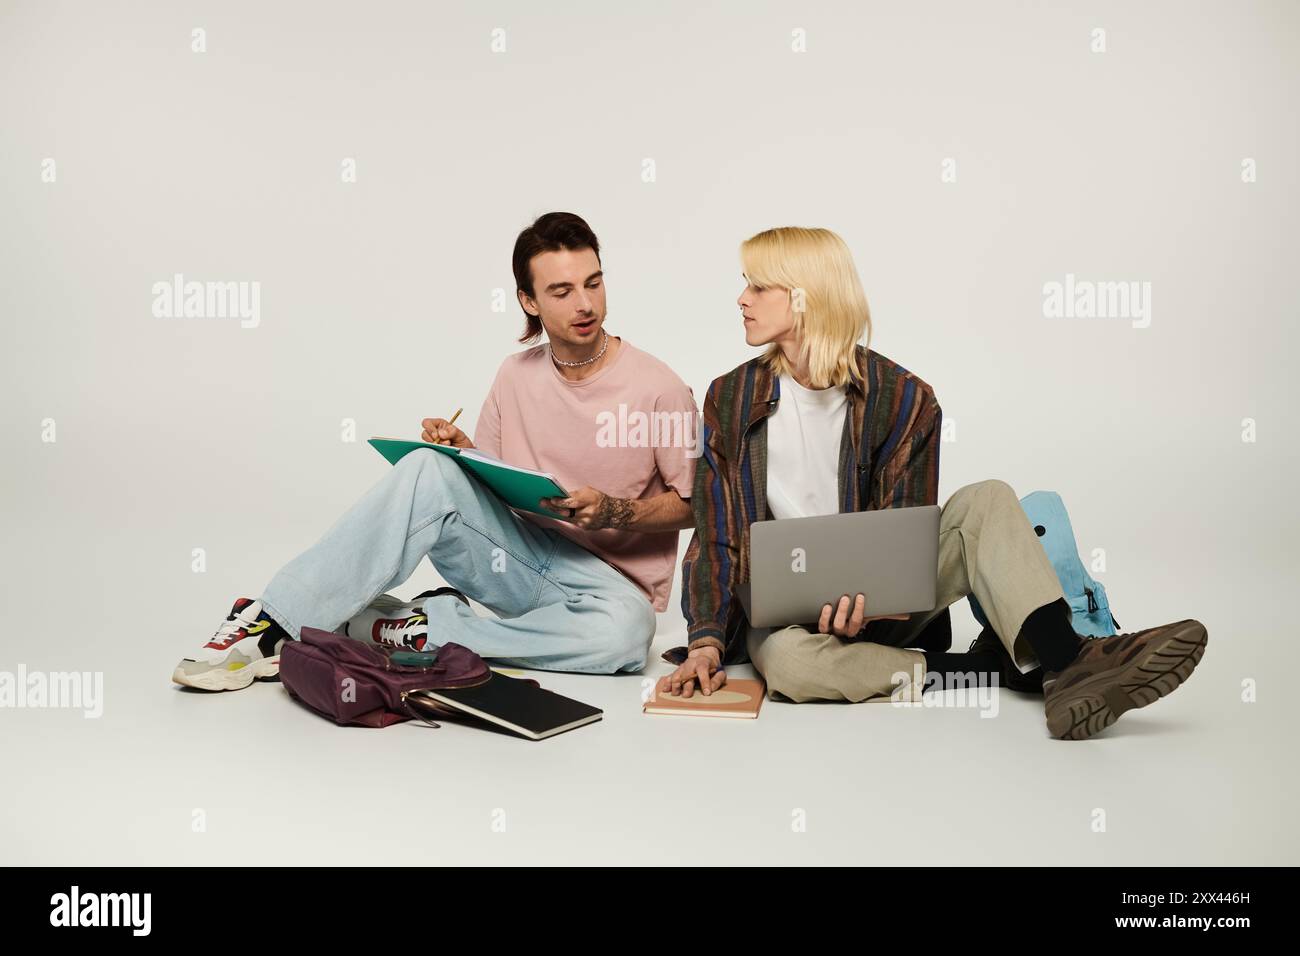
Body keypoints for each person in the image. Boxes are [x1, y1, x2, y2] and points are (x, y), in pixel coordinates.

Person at [658, 226, 1207, 740]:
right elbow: (718, 535)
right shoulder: (729, 399)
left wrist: (875, 602)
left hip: (882, 606)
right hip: (784, 609)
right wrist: (706, 641)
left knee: (986, 498)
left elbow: (903, 541)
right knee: (791, 668)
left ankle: (1075, 660)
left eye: (757, 285)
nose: (741, 299)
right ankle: (996, 672)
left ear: (803, 296)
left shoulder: (903, 398)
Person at [173, 212, 698, 690]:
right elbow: (497, 480)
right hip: (518, 560)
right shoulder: (515, 375)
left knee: (626, 639)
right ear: (529, 301)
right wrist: (462, 452)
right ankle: (275, 618)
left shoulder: (660, 388)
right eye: (561, 291)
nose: (584, 304)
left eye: (593, 283)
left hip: (608, 590)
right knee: (428, 467)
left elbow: (696, 505)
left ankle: (408, 628)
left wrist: (614, 511)